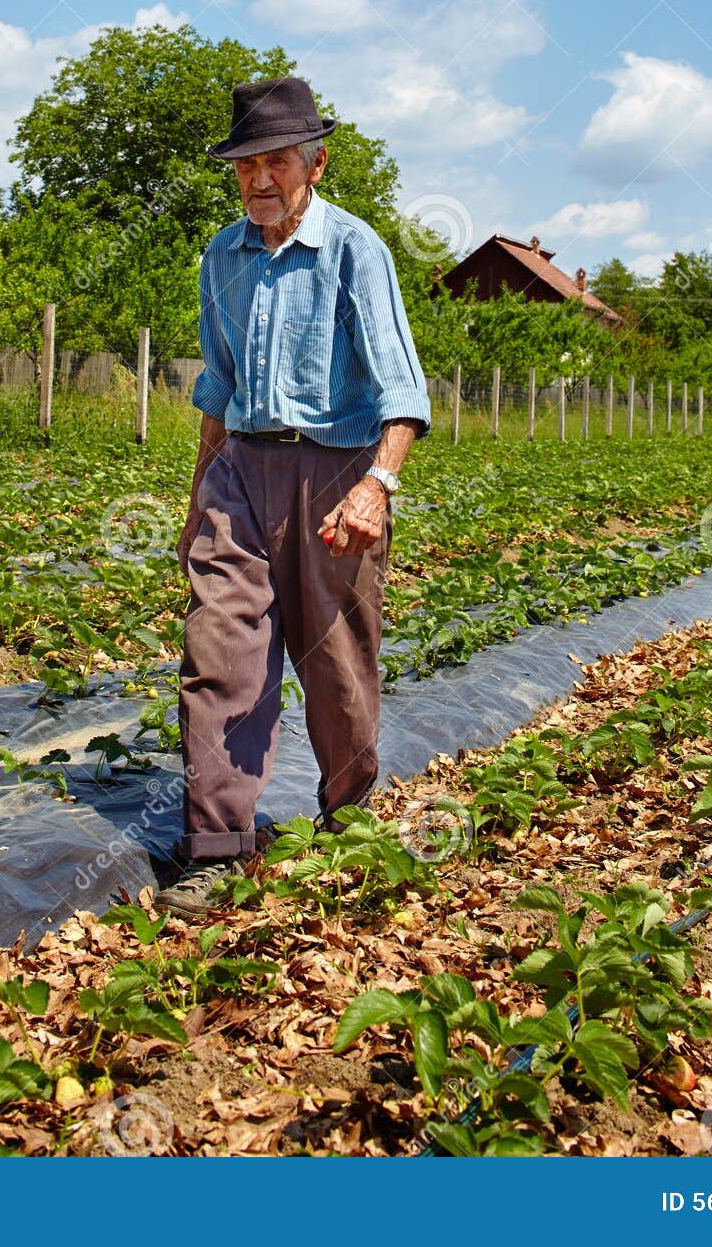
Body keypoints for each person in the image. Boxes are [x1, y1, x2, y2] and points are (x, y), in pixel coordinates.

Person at [155, 75, 430, 917]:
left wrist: (377, 488)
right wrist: (201, 495)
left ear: (315, 162)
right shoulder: (220, 256)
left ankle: (349, 821)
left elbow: (404, 392)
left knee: (337, 660)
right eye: (245, 166)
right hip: (243, 470)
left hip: (336, 477)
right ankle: (216, 846)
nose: (259, 181)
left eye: (275, 162)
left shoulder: (355, 250)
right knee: (220, 652)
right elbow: (220, 387)